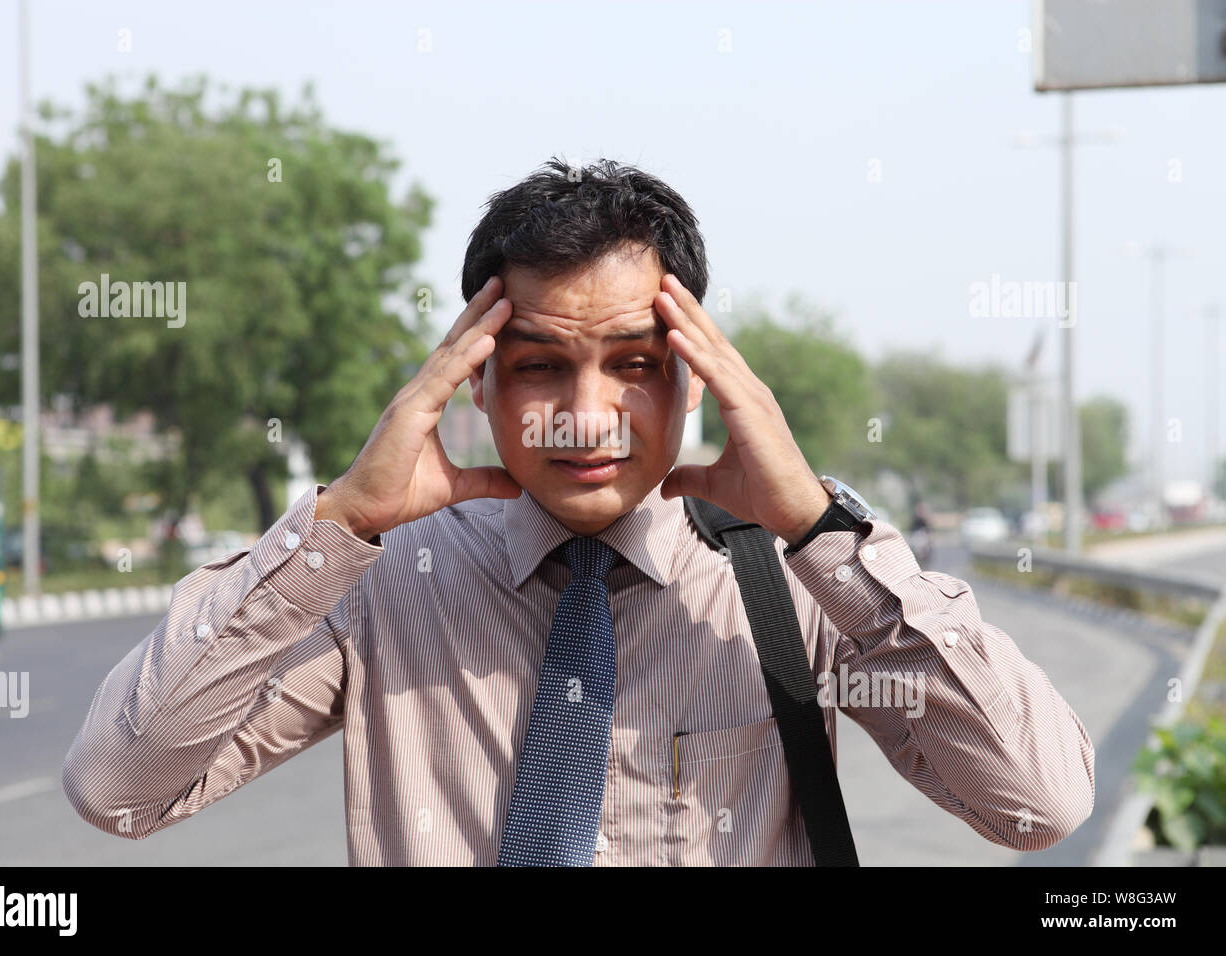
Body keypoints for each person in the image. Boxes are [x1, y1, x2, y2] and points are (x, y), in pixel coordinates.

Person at [62, 157, 1095, 866]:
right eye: (542, 365)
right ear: (474, 383)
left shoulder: (788, 579)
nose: (587, 415)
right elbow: (118, 786)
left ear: (694, 379)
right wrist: (334, 524)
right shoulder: (384, 582)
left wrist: (823, 530)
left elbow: (1037, 803)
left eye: (636, 366)